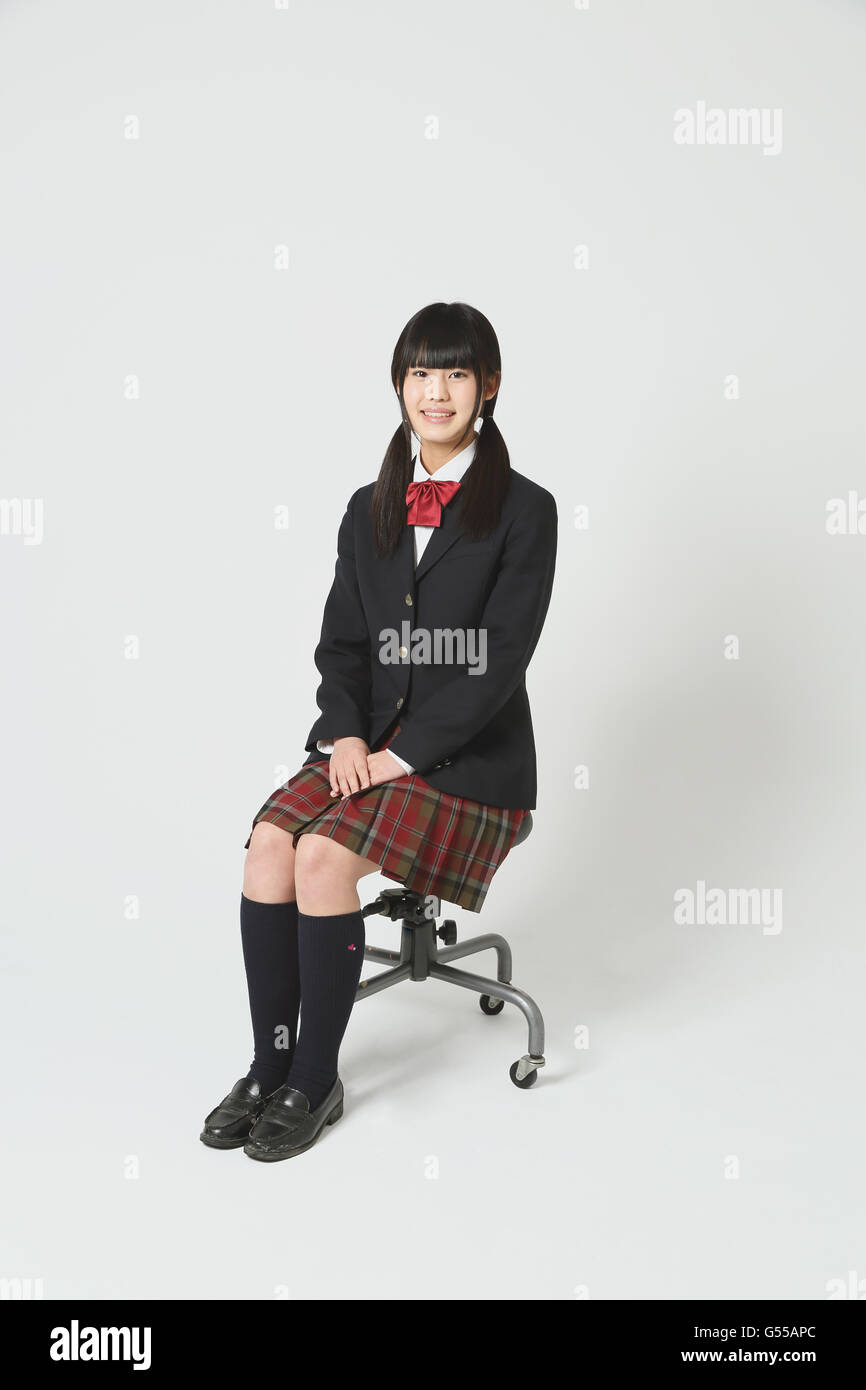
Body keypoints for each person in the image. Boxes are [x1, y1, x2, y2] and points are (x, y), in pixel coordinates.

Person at [200, 301, 558, 1163]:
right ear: (399, 386)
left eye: (457, 373)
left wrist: (400, 752)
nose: (437, 391)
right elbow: (344, 642)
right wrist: (346, 736)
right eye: (420, 373)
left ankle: (315, 1079)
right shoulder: (369, 506)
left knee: (322, 858)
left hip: (471, 767)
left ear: (490, 388)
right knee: (268, 849)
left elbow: (496, 663)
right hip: (369, 747)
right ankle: (268, 1065)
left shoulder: (526, 510)